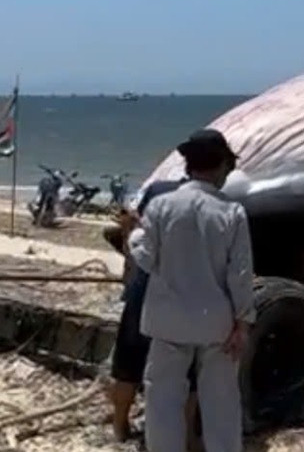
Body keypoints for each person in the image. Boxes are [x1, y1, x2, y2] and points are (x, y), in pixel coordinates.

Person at [129, 129, 254, 452]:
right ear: (222, 165)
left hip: (167, 319)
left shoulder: (161, 206)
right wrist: (243, 321)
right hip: (217, 322)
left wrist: (132, 236)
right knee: (222, 405)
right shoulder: (232, 212)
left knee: (163, 403)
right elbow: (240, 274)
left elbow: (145, 258)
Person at [102, 180, 202, 450]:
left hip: (144, 286)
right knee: (190, 370)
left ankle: (120, 426)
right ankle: (187, 437)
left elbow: (135, 241)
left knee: (128, 363)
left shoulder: (158, 190)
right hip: (180, 289)